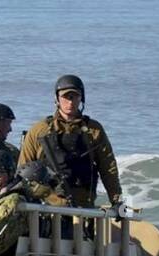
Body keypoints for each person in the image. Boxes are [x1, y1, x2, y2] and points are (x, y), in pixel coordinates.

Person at [18, 75, 124, 212]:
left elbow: (108, 168)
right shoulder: (40, 130)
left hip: (82, 205)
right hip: (46, 205)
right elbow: (22, 170)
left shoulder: (93, 130)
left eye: (74, 96)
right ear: (57, 99)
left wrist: (116, 201)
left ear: (81, 98)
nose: (70, 102)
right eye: (65, 97)